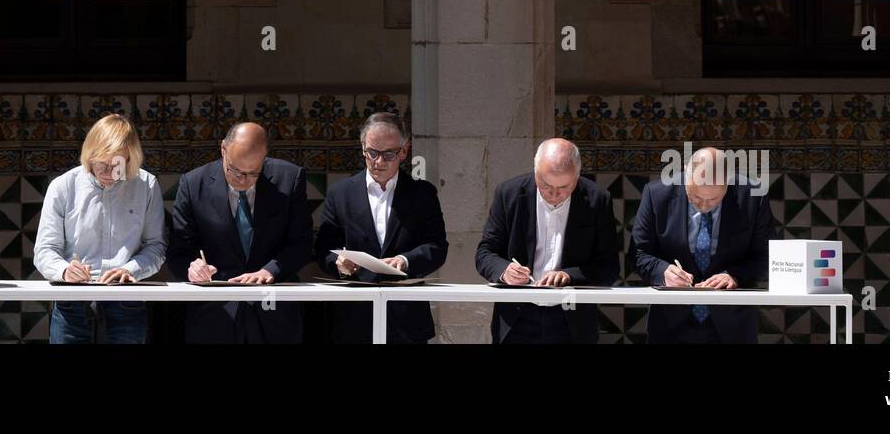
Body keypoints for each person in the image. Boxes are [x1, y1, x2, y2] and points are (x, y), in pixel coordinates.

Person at [166, 121, 313, 342]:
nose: (243, 181)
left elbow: (302, 243)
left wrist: (269, 271)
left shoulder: (289, 178)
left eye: (253, 173)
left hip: (274, 313)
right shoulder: (193, 183)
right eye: (235, 171)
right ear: (223, 149)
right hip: (215, 313)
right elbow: (179, 251)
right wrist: (193, 268)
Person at [313, 112, 448, 343]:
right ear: (363, 147)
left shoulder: (423, 193)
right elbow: (323, 248)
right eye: (372, 153)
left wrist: (404, 260)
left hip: (406, 320)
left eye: (388, 154)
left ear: (404, 152)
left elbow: (437, 247)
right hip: (353, 320)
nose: (378, 162)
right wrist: (339, 263)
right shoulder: (341, 193)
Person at [33, 112, 166, 343]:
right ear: (89, 156)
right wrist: (65, 270)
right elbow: (44, 250)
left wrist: (131, 270)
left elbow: (156, 247)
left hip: (127, 299)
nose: (108, 173)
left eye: (117, 166)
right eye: (101, 164)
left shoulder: (146, 185)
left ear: (131, 159)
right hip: (72, 300)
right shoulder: (63, 186)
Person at [475, 138, 619, 343]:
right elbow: (485, 253)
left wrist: (569, 276)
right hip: (516, 316)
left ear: (577, 176)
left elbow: (609, 266)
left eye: (563, 187)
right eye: (545, 185)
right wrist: (504, 271)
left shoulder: (598, 199)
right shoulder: (509, 194)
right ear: (535, 172)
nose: (553, 194)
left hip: (571, 318)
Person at [627, 146, 776, 342]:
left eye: (714, 199)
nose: (704, 206)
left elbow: (768, 257)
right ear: (686, 177)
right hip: (669, 322)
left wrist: (735, 275)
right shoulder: (657, 194)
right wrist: (661, 271)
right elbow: (637, 252)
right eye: (696, 197)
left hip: (732, 325)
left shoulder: (753, 197)